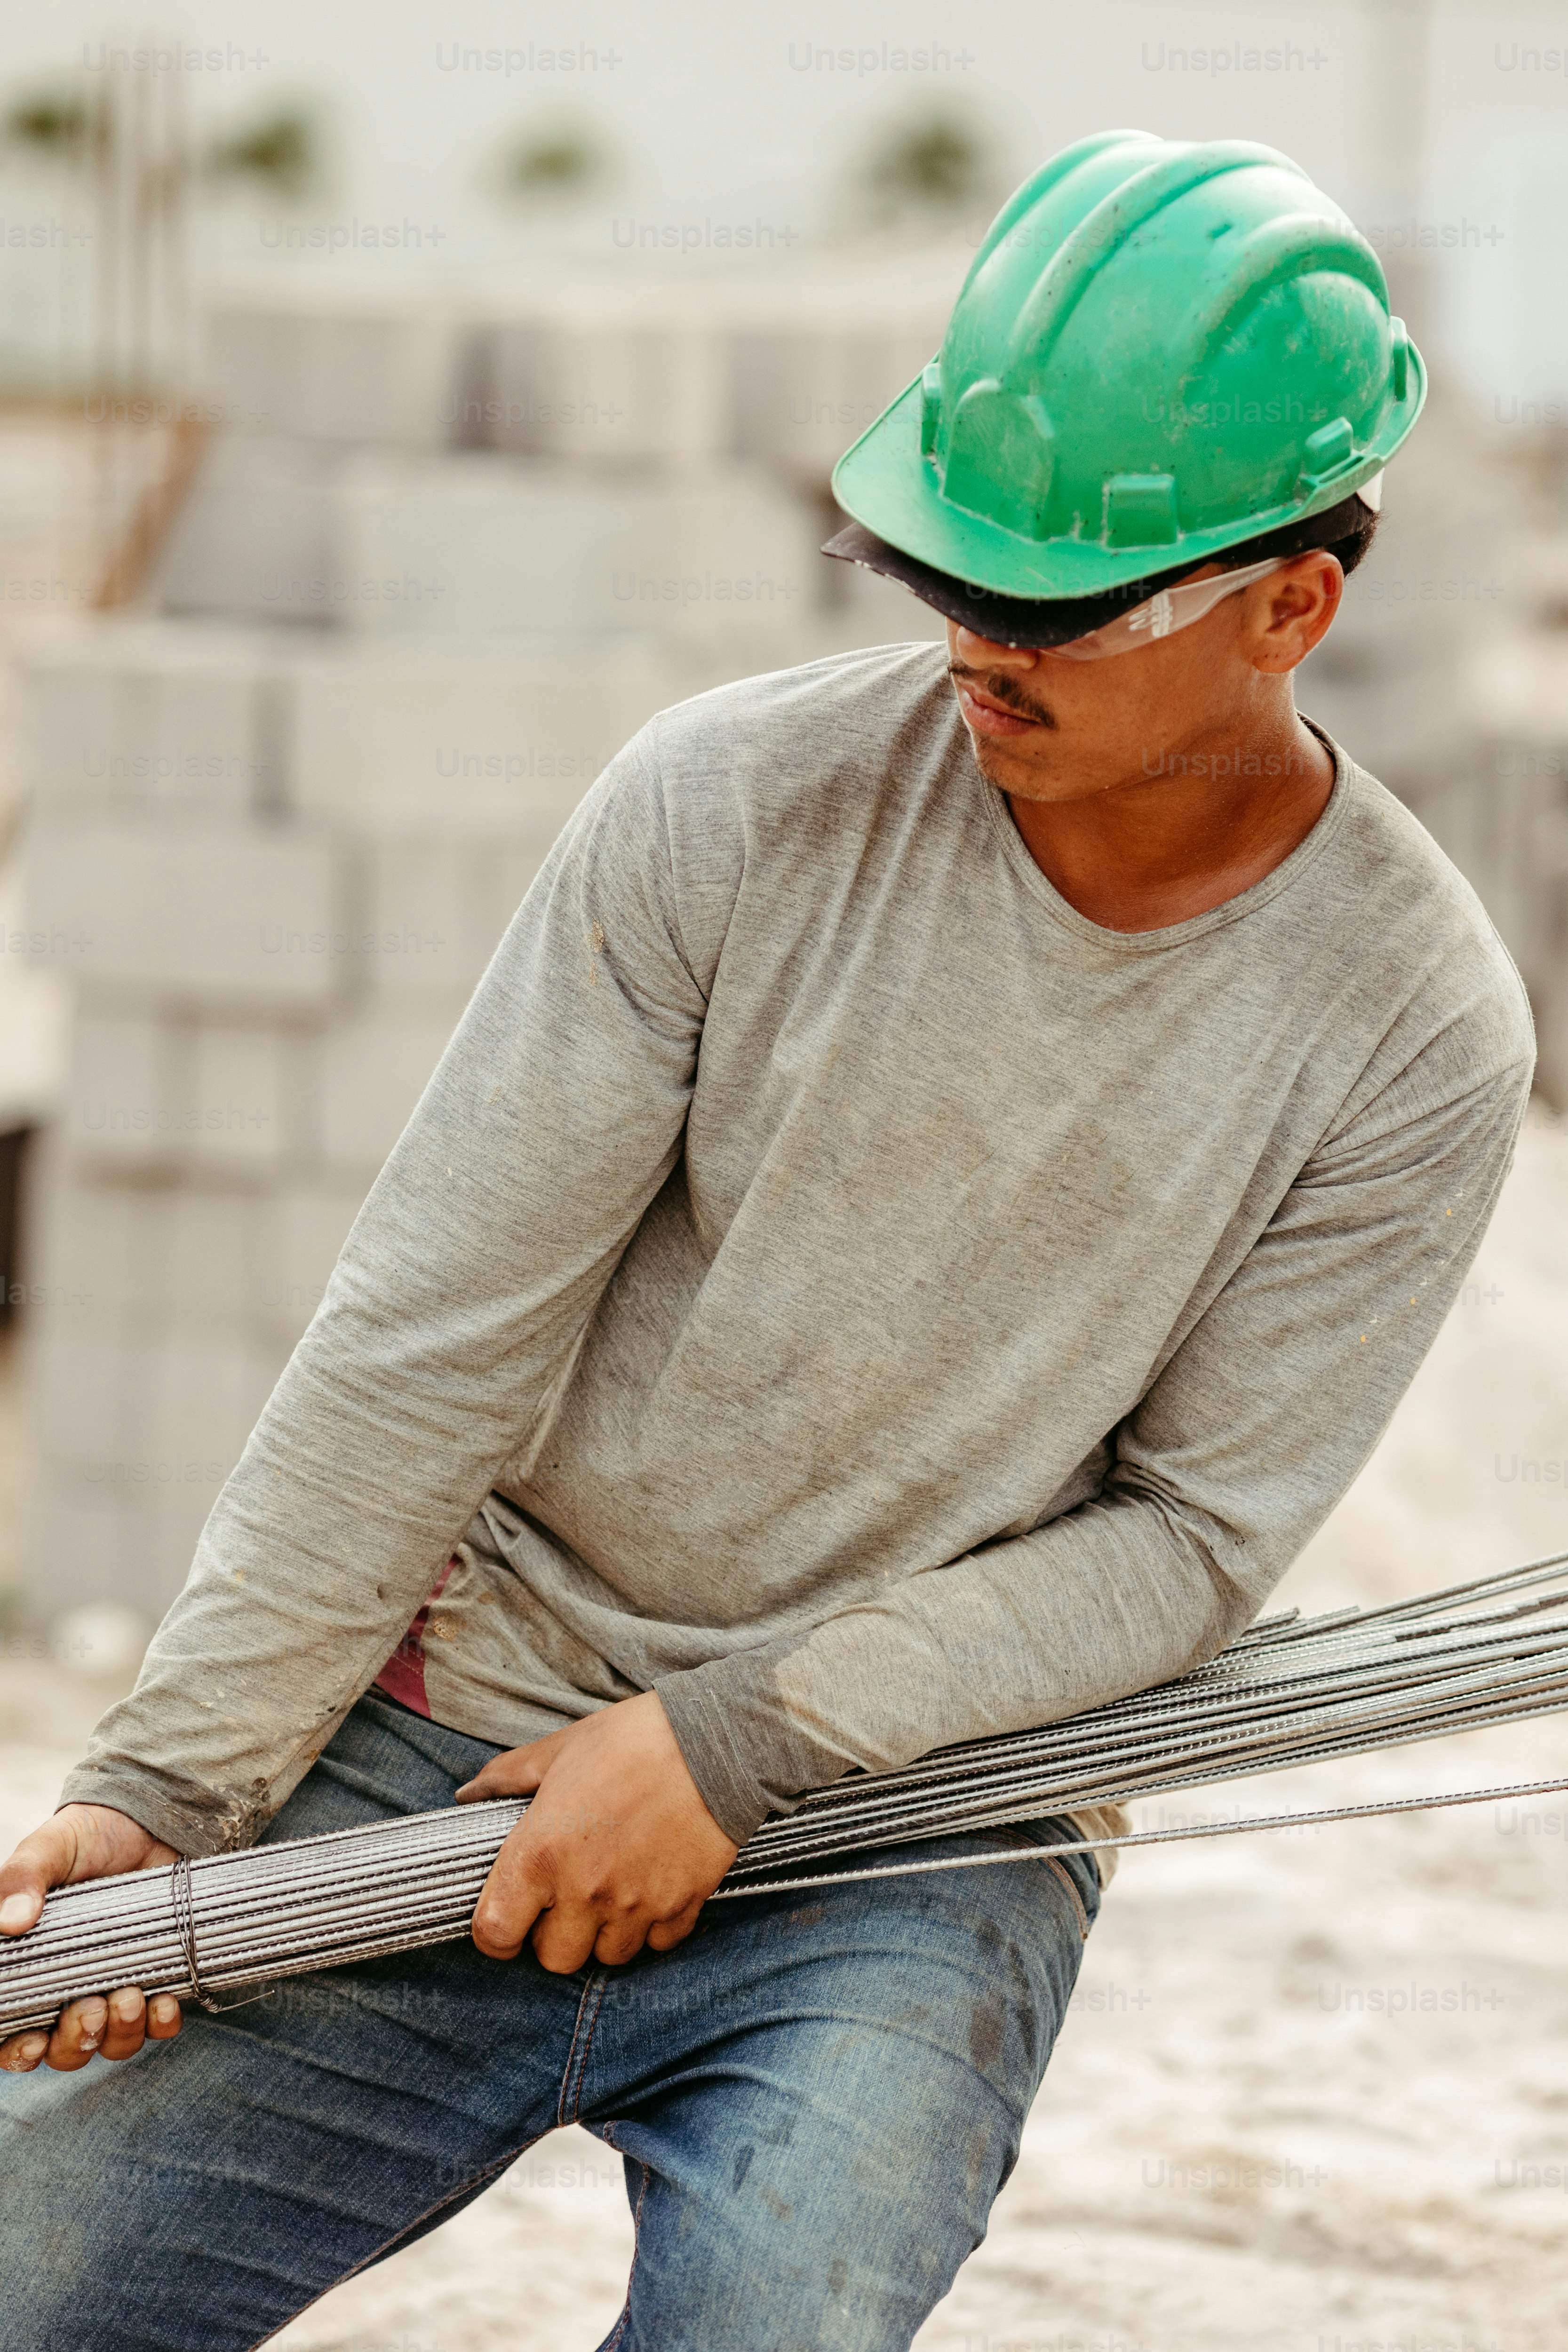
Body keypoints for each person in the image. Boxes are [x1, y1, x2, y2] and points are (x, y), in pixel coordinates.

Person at [0, 129, 1535, 2352]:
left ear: (1293, 601)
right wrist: (170, 1785)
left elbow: (1194, 1540)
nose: (972, 644)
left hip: (922, 1828)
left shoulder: (1413, 1024)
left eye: (1052, 603)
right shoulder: (727, 807)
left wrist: (743, 1737)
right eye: (942, 569)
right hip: (478, 1720)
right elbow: (425, 1333)